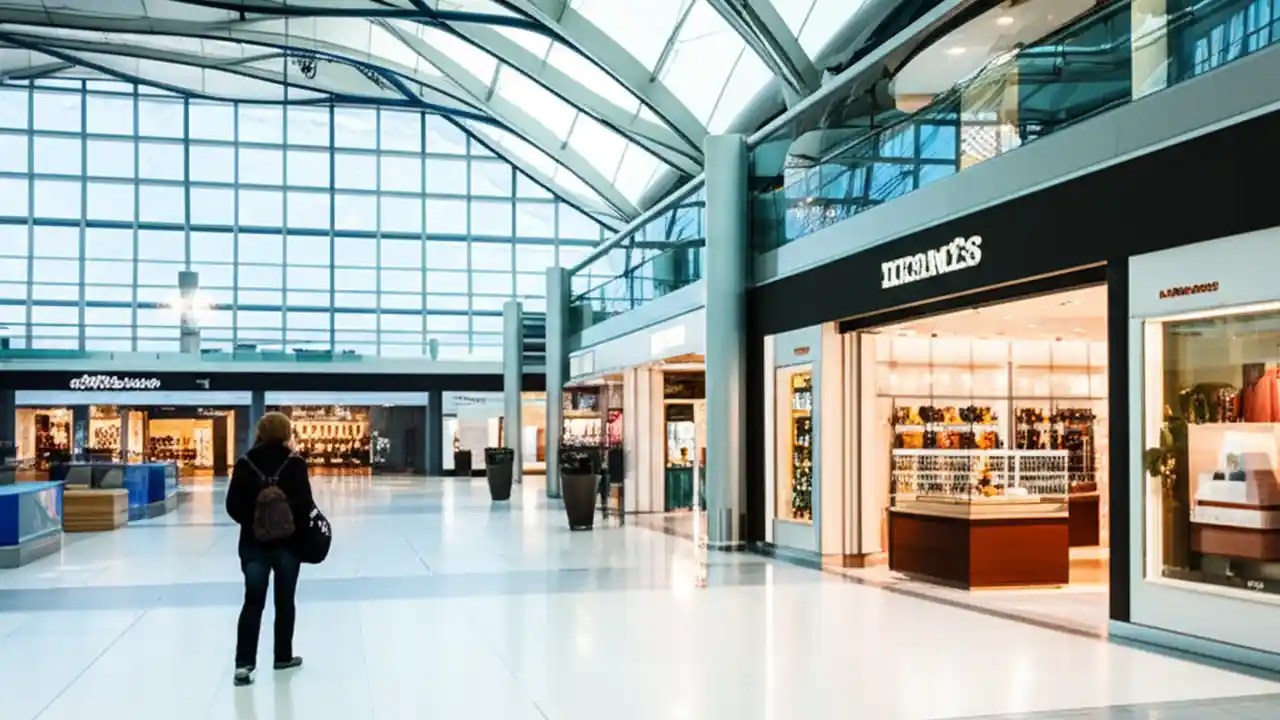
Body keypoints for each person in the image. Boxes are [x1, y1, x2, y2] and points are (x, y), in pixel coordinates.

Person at [225, 411, 315, 686]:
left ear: (260, 432)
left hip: (254, 544)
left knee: (252, 602)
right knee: (285, 600)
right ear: (287, 433)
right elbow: (305, 504)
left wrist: (254, 521)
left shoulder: (244, 463)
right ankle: (282, 656)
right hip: (288, 545)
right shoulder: (295, 463)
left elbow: (232, 506)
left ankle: (244, 664)